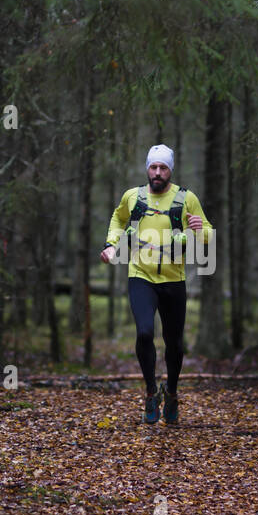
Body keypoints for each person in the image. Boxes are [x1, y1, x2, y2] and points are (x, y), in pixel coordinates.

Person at [100, 144, 213, 424]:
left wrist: (201, 231)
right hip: (141, 276)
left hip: (174, 280)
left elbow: (207, 234)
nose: (158, 173)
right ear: (147, 168)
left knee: (174, 343)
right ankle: (151, 391)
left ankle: (171, 393)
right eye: (154, 167)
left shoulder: (186, 198)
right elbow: (117, 219)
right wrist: (111, 245)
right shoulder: (133, 197)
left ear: (170, 170)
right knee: (144, 333)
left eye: (163, 168)